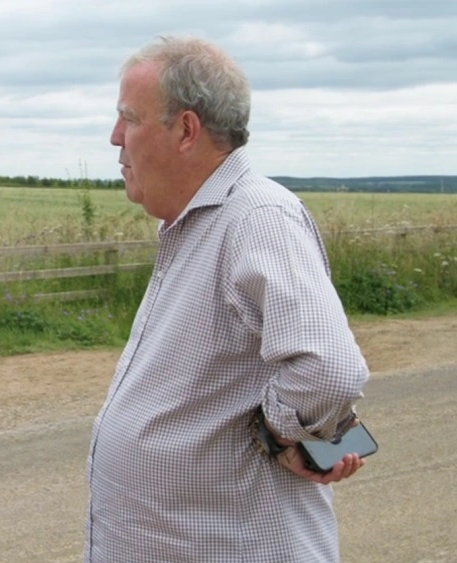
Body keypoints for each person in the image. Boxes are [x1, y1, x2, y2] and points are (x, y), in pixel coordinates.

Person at [86, 36, 370, 562]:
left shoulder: (256, 218)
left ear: (186, 130)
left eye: (129, 118)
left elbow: (328, 369)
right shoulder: (200, 222)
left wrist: (281, 436)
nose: (115, 137)